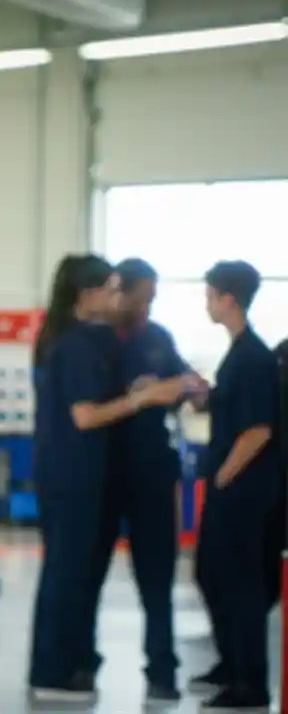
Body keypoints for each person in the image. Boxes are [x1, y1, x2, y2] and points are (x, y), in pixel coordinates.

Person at [27, 254, 188, 704]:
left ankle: (73, 667)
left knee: (77, 575)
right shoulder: (78, 346)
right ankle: (55, 671)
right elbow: (85, 415)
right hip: (75, 478)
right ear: (90, 293)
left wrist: (174, 391)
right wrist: (144, 397)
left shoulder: (123, 341)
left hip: (109, 479)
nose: (121, 300)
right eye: (115, 290)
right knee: (68, 575)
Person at [188, 260, 282, 710]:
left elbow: (259, 429)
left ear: (228, 298)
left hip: (244, 493)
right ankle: (230, 663)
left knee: (241, 585)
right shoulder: (238, 353)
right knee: (210, 574)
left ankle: (250, 684)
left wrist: (224, 476)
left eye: (209, 295)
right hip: (231, 490)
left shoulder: (254, 357)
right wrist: (205, 397)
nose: (206, 302)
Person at [99, 257, 193, 702]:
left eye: (152, 299)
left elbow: (182, 383)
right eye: (143, 298)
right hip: (101, 475)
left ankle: (162, 671)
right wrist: (138, 397)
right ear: (121, 292)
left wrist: (190, 389)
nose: (147, 307)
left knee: (157, 579)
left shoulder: (158, 339)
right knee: (84, 576)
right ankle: (78, 664)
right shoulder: (92, 342)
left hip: (153, 474)